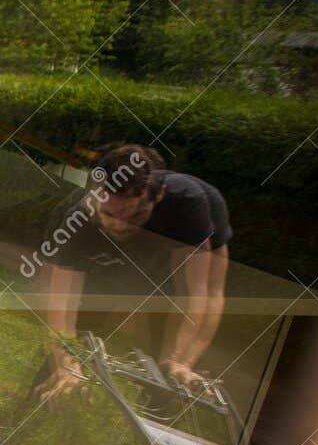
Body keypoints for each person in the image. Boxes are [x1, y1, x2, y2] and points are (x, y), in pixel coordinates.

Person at [35, 144, 231, 403]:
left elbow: (200, 293)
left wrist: (179, 361)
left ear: (158, 195)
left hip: (171, 262)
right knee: (70, 349)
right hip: (105, 259)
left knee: (168, 371)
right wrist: (66, 367)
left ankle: (162, 405)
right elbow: (58, 302)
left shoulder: (189, 205)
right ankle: (31, 415)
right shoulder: (80, 218)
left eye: (132, 215)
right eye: (109, 213)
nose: (118, 224)